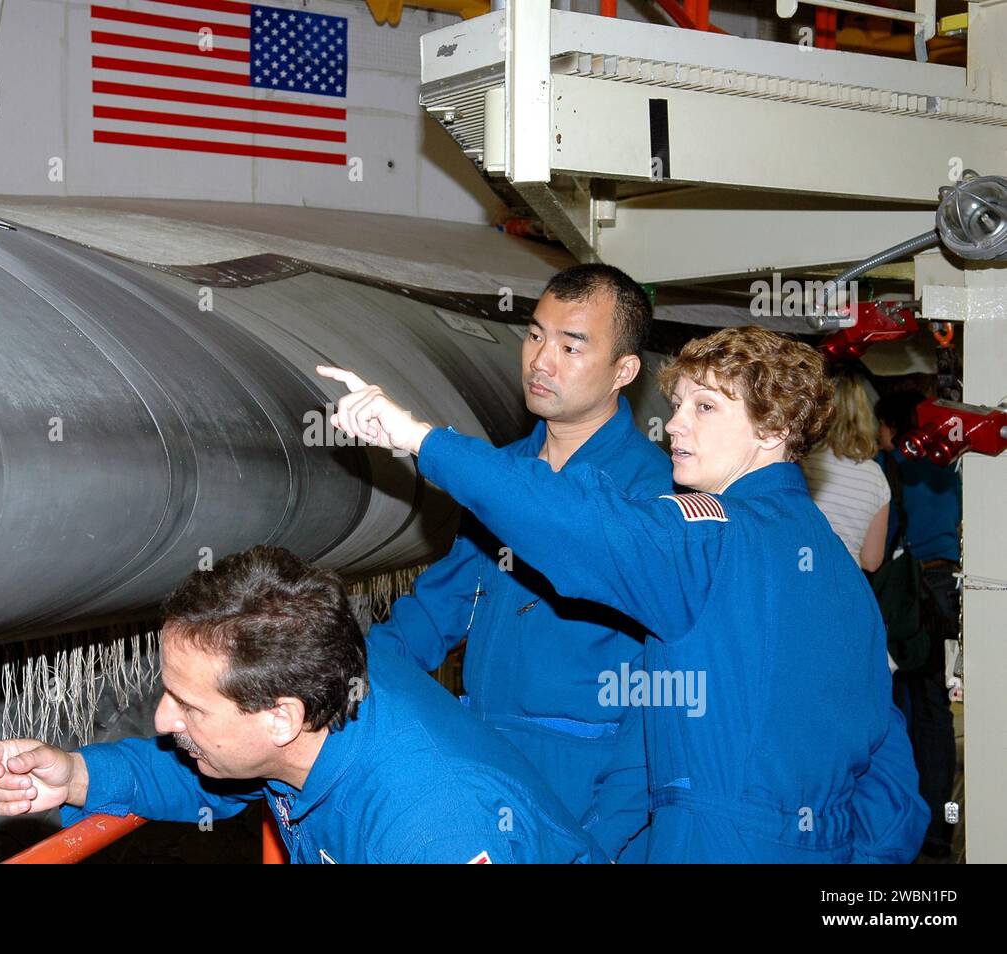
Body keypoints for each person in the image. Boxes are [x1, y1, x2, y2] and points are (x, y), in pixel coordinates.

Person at [321, 325, 928, 863]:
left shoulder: (713, 537)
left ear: (773, 429)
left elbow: (575, 524)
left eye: (707, 407)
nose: (677, 424)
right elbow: (888, 769)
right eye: (679, 404)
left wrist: (418, 437)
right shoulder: (838, 569)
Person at [0, 546, 601, 864]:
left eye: (189, 706)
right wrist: (78, 775)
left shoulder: (435, 830)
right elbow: (214, 770)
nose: (165, 719)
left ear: (282, 717)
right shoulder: (325, 690)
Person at [364, 264, 671, 861]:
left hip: (592, 794)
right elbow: (436, 612)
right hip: (490, 772)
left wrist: (604, 839)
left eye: (571, 346)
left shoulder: (652, 498)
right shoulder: (500, 476)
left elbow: (658, 704)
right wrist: (331, 676)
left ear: (624, 371)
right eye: (535, 336)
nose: (541, 361)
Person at [875, 390, 961, 859]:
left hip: (908, 592)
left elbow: (882, 544)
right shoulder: (947, 463)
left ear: (892, 425)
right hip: (946, 586)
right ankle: (941, 827)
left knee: (892, 707)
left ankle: (898, 822)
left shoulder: (893, 469)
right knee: (936, 712)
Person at [800, 368, 890, 572]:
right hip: (845, 590)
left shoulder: (801, 463)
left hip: (800, 577)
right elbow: (871, 561)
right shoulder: (876, 476)